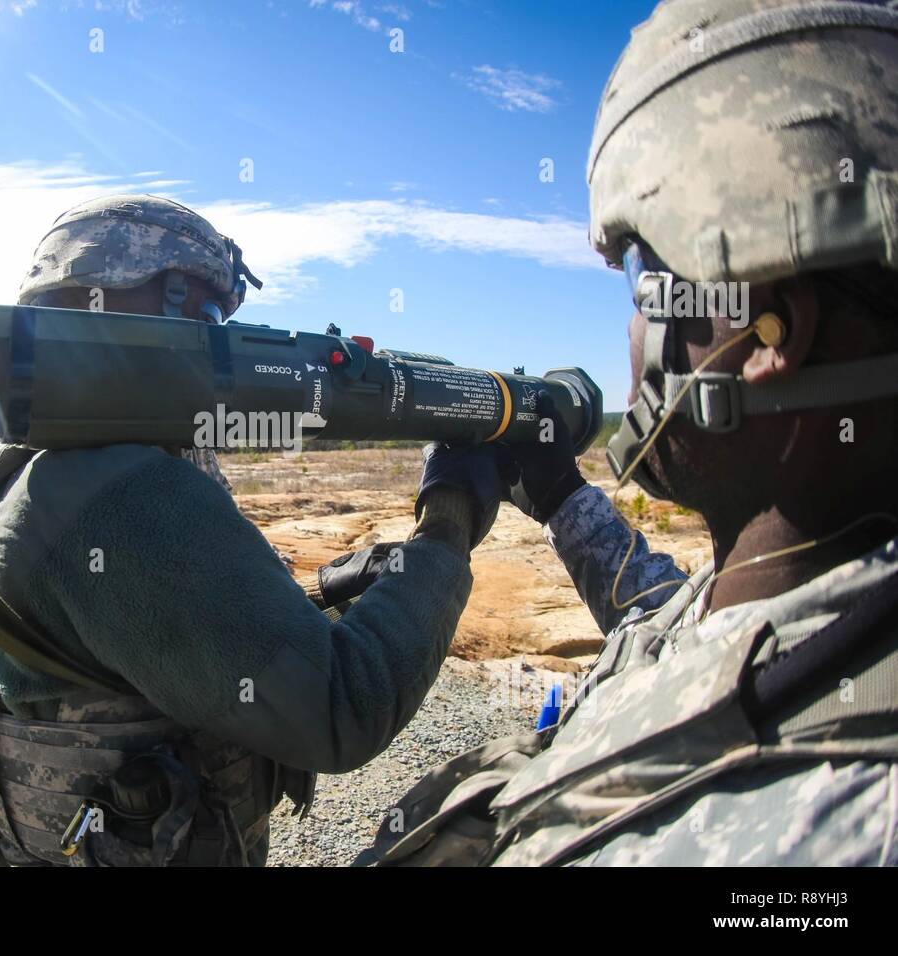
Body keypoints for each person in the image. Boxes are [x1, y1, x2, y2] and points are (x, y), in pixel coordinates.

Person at [357, 0, 898, 867]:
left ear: (768, 330)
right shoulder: (805, 582)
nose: (633, 335)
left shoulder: (830, 832)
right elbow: (682, 629)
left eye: (643, 277)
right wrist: (566, 499)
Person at [0, 194, 504, 866]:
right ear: (145, 308)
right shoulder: (112, 493)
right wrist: (450, 516)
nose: (219, 348)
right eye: (207, 318)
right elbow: (341, 705)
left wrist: (318, 598)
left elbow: (151, 632)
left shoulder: (19, 458)